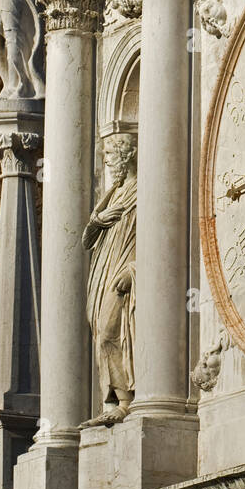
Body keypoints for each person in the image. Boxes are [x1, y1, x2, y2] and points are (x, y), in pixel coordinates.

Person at [82, 133, 137, 425]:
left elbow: (158, 238)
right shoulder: (113, 192)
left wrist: (134, 270)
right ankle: (113, 400)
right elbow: (87, 240)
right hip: (103, 268)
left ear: (127, 156)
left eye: (110, 157)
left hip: (122, 269)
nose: (106, 163)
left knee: (108, 332)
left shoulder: (142, 191)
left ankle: (126, 400)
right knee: (99, 329)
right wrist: (98, 220)